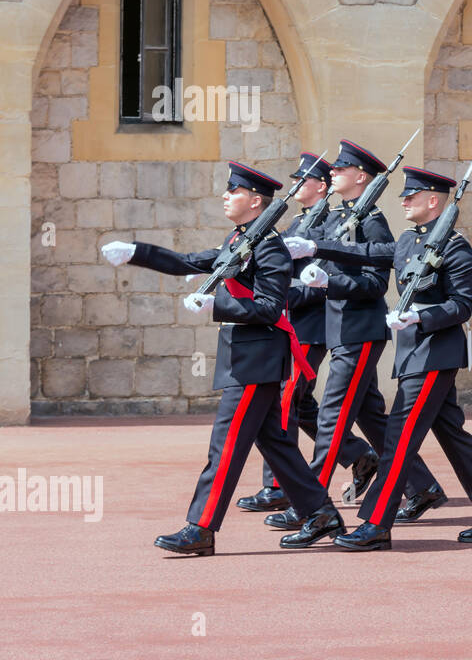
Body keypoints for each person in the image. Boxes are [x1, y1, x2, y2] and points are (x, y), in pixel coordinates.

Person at [100, 162, 345, 555]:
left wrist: (219, 304)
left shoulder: (269, 247)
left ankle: (200, 528)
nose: (225, 197)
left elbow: (269, 307)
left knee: (226, 444)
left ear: (254, 200)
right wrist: (136, 253)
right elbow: (190, 261)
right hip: (245, 358)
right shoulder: (239, 239)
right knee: (276, 444)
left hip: (257, 360)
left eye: (233, 192)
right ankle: (320, 514)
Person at [285, 166, 472, 548]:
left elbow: (462, 305)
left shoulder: (456, 247)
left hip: (436, 353)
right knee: (453, 435)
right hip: (412, 353)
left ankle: (377, 524)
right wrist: (317, 248)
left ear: (433, 201)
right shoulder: (410, 240)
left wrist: (421, 316)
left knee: (399, 439)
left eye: (412, 197)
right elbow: (370, 251)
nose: (404, 201)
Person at [263, 139, 445, 532]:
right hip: (338, 329)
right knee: (372, 418)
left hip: (360, 330)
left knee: (332, 418)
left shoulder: (370, 220)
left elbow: (375, 282)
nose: (333, 173)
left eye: (341, 170)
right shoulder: (335, 217)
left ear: (361, 177)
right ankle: (422, 485)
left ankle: (309, 503)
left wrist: (330, 282)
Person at [235, 151, 365, 512]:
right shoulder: (300, 221)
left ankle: (278, 485)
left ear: (320, 186)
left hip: (312, 322)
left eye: (301, 180)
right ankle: (359, 454)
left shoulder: (325, 223)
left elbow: (321, 277)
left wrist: (285, 295)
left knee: (285, 400)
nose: (294, 186)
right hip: (295, 320)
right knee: (304, 403)